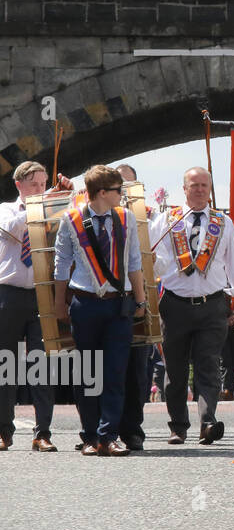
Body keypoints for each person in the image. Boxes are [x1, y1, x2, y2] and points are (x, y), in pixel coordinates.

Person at [52, 165, 147, 457]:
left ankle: (109, 435)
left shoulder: (126, 217)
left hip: (118, 303)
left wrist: (141, 302)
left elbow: (134, 261)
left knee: (116, 372)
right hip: (85, 302)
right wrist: (58, 304)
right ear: (103, 193)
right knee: (88, 373)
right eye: (119, 190)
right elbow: (61, 262)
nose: (123, 195)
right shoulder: (71, 219)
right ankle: (90, 435)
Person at [154, 167, 234, 445]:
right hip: (174, 305)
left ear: (210, 189)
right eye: (194, 185)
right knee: (176, 369)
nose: (199, 190)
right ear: (184, 189)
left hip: (212, 305)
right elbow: (153, 259)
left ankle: (208, 423)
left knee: (209, 365)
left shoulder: (223, 222)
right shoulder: (166, 221)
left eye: (204, 185)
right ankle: (178, 426)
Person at [0, 161, 67, 452]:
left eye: (43, 185)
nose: (39, 190)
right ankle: (4, 429)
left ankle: (43, 432)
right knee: (7, 365)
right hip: (9, 292)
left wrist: (63, 200)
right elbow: (11, 228)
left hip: (41, 292)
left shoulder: (51, 209)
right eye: (33, 185)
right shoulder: (6, 209)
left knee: (42, 364)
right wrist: (38, 205)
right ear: (19, 186)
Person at [114, 163, 157, 449]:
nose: (123, 193)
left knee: (136, 369)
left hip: (135, 299)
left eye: (128, 187)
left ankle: (132, 429)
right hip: (102, 297)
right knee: (103, 369)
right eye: (118, 187)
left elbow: (158, 264)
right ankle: (100, 430)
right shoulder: (89, 215)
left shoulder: (150, 220)